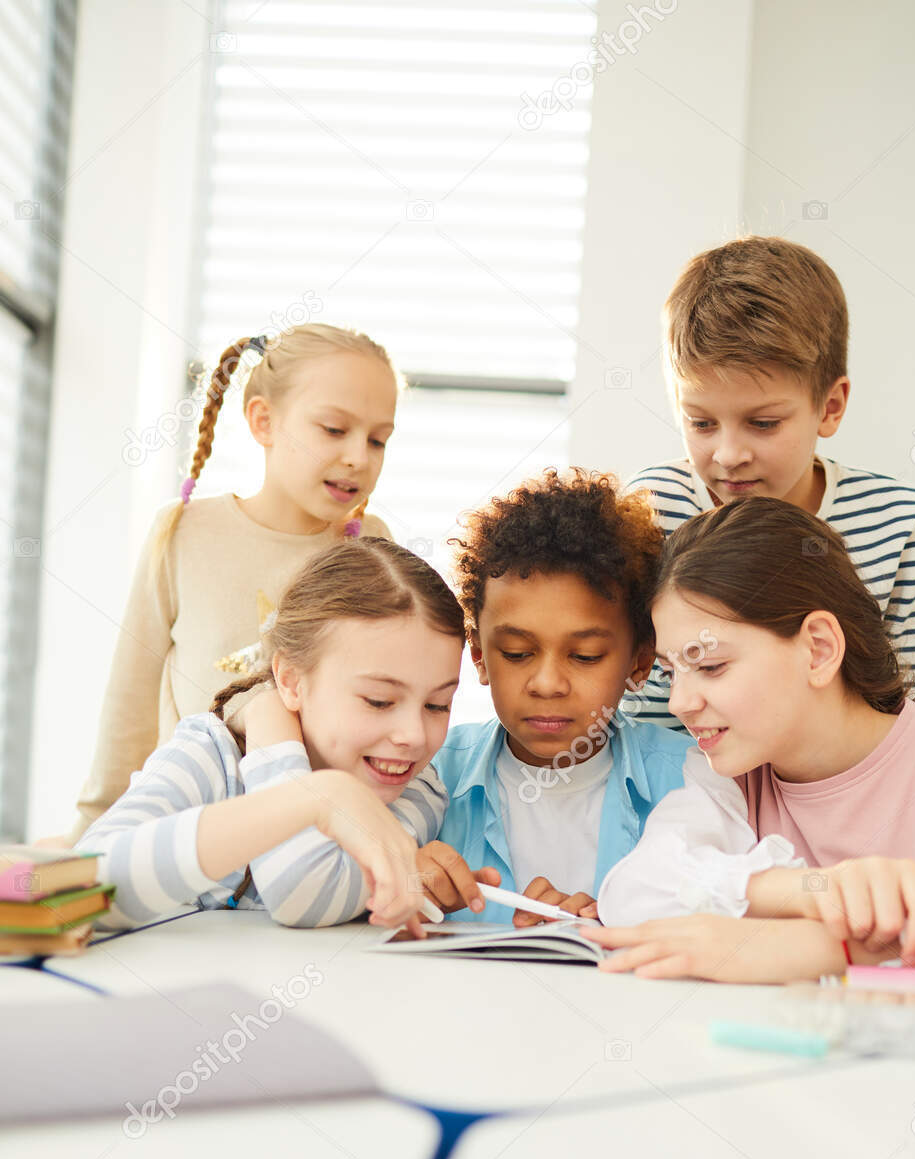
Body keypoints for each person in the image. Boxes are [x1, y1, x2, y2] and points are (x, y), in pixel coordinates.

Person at [592, 499, 915, 979]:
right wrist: (811, 889)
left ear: (818, 650)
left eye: (710, 666)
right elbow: (632, 893)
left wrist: (831, 947)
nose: (679, 703)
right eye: (672, 672)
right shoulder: (729, 780)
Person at [619, 236, 915, 726]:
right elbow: (635, 709)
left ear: (830, 407)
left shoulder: (899, 520)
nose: (728, 455)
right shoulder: (651, 509)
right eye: (701, 423)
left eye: (763, 424)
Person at [69, 322, 398, 840]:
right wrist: (89, 831)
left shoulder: (371, 547)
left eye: (378, 439)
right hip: (189, 842)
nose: (360, 455)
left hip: (315, 842)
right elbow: (129, 703)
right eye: (335, 430)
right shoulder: (184, 533)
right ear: (264, 421)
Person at [77, 538, 463, 933]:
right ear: (291, 681)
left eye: (438, 705)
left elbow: (303, 893)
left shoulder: (416, 789)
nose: (414, 736)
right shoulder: (211, 759)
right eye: (379, 701)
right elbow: (76, 892)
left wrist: (314, 786)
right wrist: (318, 796)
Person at [413, 469, 691, 924]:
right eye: (517, 652)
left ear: (639, 663)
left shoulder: (689, 783)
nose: (546, 683)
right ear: (480, 655)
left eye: (585, 656)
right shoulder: (427, 777)